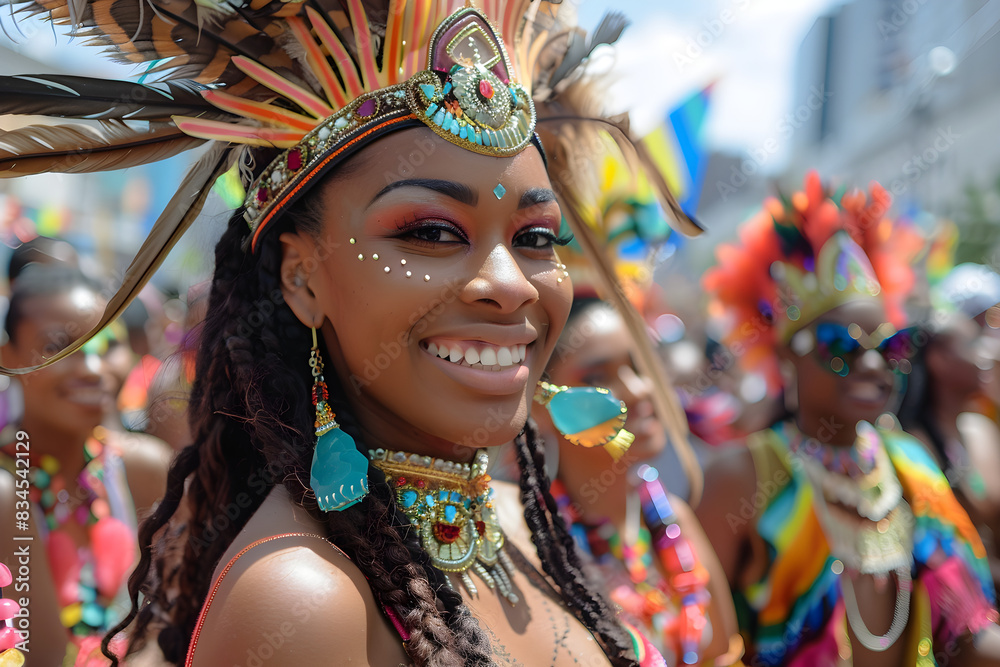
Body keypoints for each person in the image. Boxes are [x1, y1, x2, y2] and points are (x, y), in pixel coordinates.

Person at [0, 1, 707, 665]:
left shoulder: (530, 538)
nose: (514, 283)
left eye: (535, 236)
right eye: (431, 231)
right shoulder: (304, 601)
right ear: (302, 278)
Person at [695, 172, 1000, 666]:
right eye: (842, 348)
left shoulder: (910, 464)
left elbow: (967, 632)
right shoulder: (740, 476)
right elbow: (697, 643)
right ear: (789, 359)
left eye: (890, 345)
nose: (874, 364)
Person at [539, 295, 743, 665]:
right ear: (541, 405)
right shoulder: (543, 553)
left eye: (637, 365)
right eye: (597, 378)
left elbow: (723, 652)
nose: (638, 390)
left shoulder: (672, 518)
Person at [0, 266, 169, 665]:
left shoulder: (146, 470)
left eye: (106, 343)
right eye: (60, 345)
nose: (92, 369)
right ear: (8, 358)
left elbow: (177, 622)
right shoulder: (6, 490)